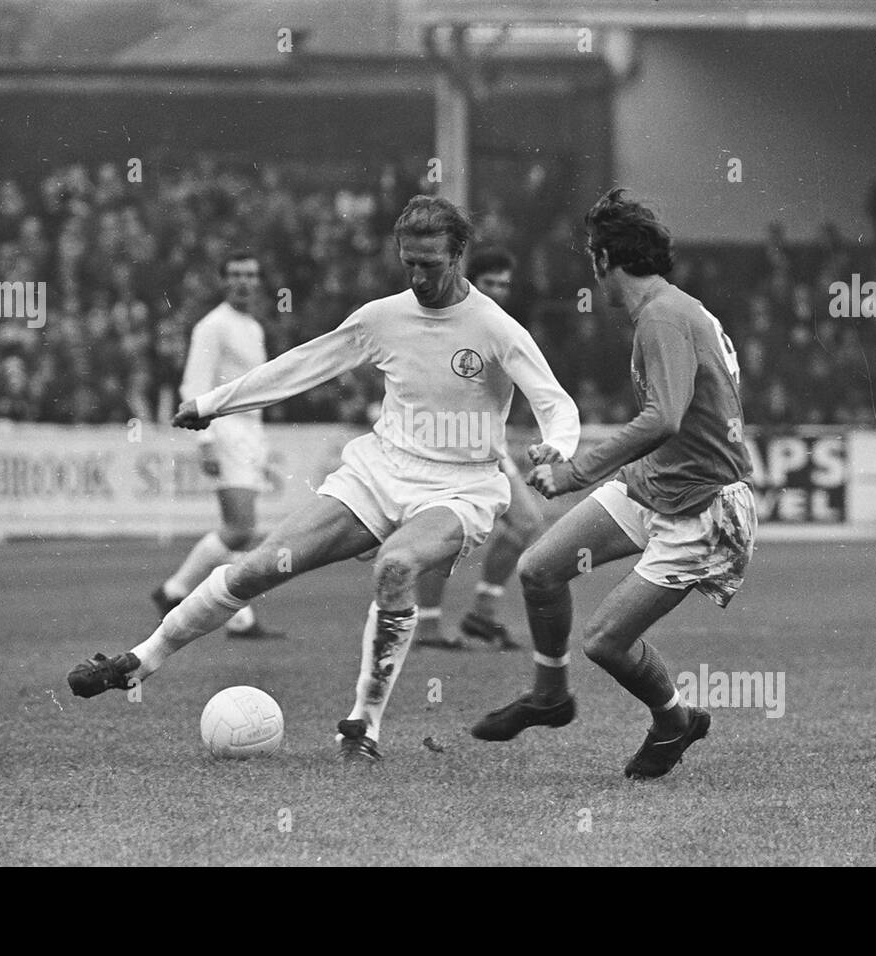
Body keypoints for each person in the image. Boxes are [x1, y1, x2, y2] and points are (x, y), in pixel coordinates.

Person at [67, 196, 580, 763]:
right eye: (408, 261)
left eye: (430, 264)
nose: (417, 276)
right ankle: (139, 661)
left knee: (397, 566)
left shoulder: (495, 327)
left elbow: (556, 403)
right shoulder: (383, 316)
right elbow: (304, 364)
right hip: (379, 472)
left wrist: (556, 447)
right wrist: (214, 403)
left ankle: (363, 724)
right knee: (258, 567)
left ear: (459, 255)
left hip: (460, 488)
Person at [471, 188, 757, 780]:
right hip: (657, 483)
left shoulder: (661, 316)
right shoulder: (675, 309)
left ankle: (674, 720)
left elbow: (665, 418)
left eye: (591, 260)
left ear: (604, 261)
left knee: (605, 642)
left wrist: (574, 473)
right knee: (539, 568)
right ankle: (550, 695)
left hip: (704, 507)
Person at [413, 246, 545, 650]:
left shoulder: (504, 327)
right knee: (442, 536)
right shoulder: (447, 321)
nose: (498, 291)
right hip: (447, 443)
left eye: (504, 284)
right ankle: (429, 628)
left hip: (489, 446)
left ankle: (482, 616)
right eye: (490, 283)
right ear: (473, 281)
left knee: (527, 523)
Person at [150, 252, 281, 638]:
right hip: (224, 432)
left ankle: (229, 613)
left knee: (239, 530)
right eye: (236, 274)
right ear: (224, 280)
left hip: (250, 435)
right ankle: (177, 591)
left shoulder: (253, 327)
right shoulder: (213, 326)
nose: (244, 281)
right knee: (240, 528)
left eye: (251, 274)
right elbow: (194, 384)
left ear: (258, 281)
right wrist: (205, 440)